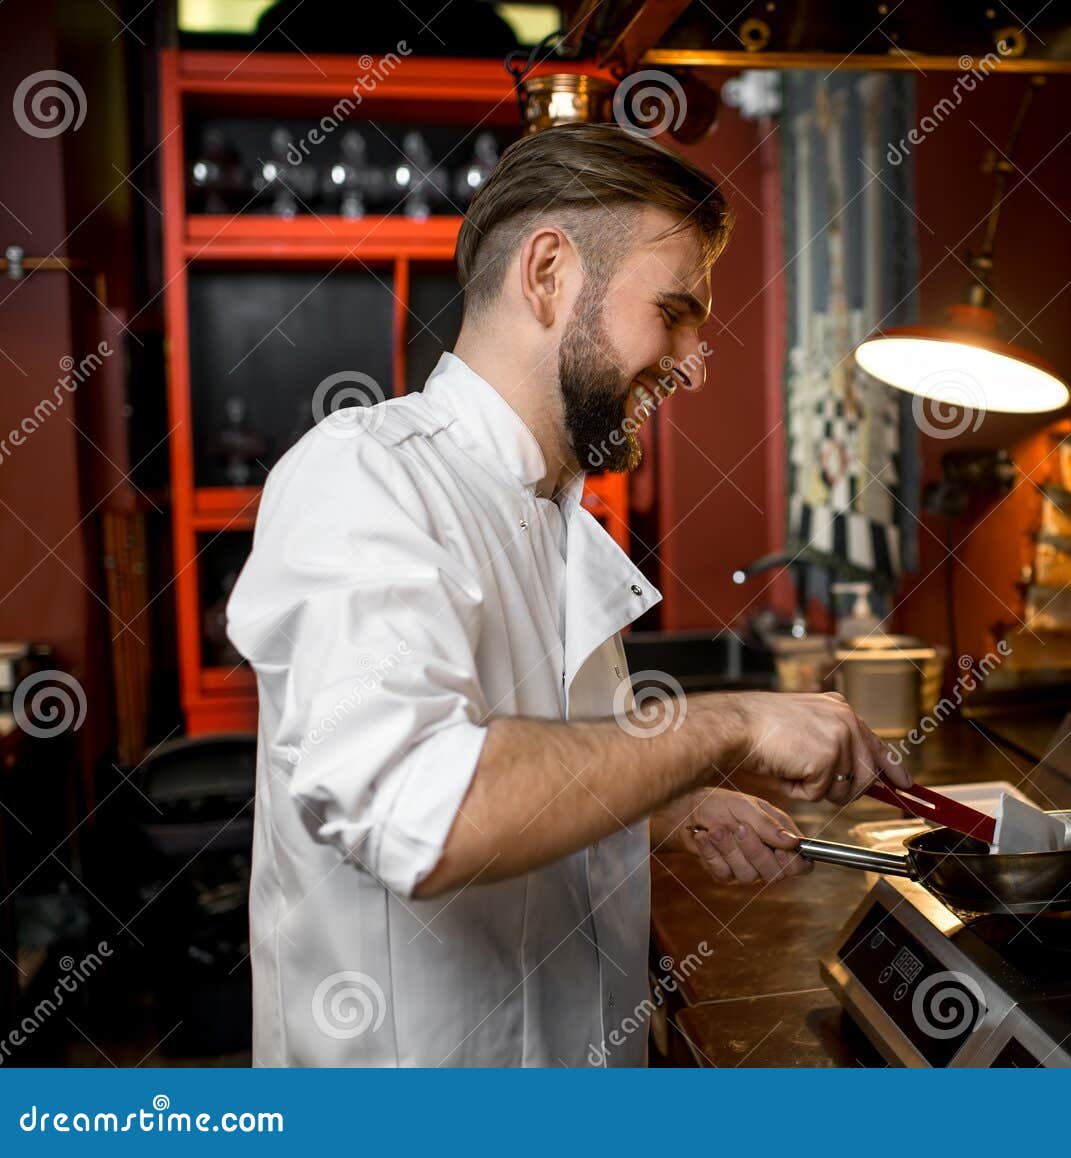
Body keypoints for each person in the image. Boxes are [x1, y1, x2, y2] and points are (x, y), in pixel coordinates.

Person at [226, 123, 907, 1067]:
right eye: (673, 312)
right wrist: (734, 724)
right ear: (548, 273)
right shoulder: (363, 477)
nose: (690, 360)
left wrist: (671, 807)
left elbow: (543, 765)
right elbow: (428, 811)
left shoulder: (551, 515)